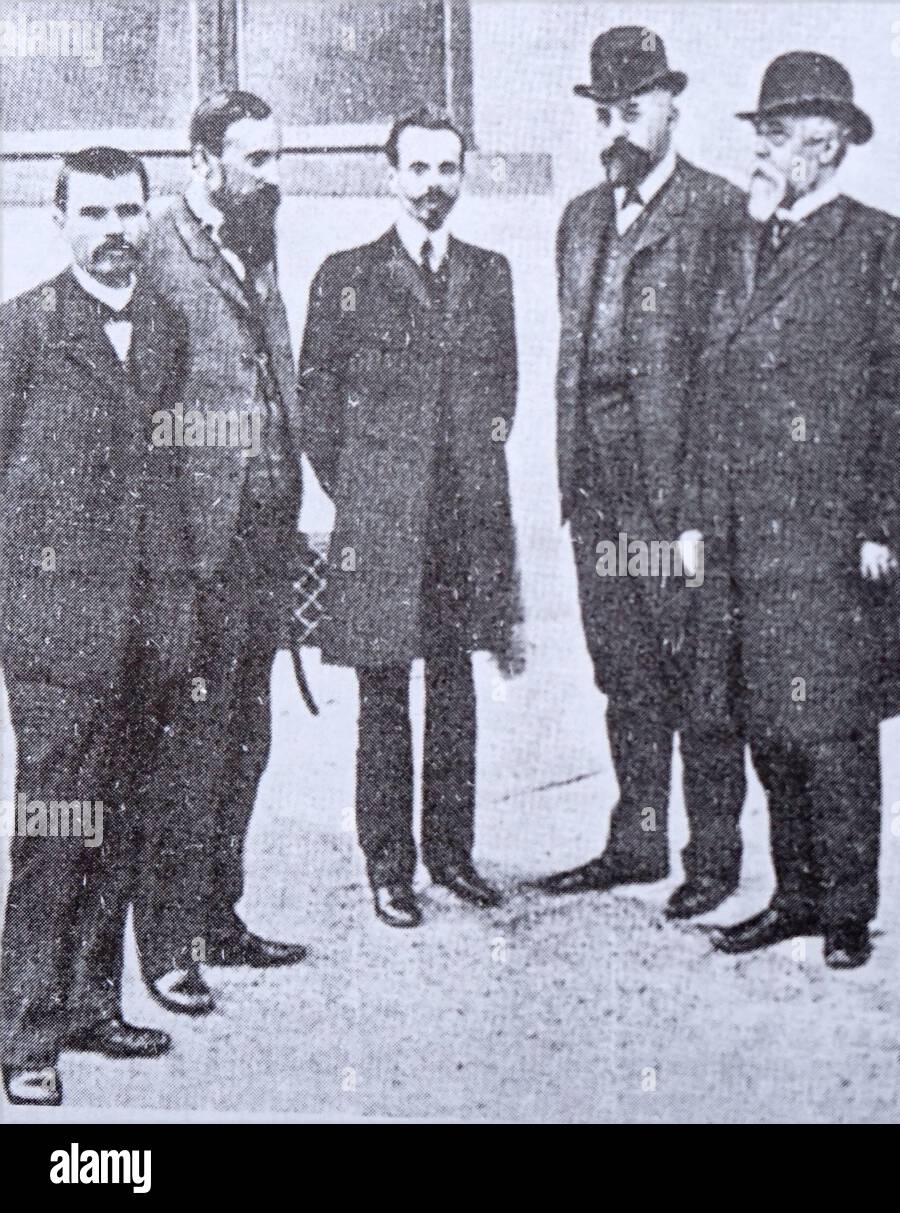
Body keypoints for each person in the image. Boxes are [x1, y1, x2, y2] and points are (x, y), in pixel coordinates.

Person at [686, 52, 900, 968]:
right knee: (765, 722)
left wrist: (885, 524)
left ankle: (846, 910)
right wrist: (698, 517)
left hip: (834, 537)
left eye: (778, 136)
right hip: (745, 532)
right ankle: (791, 894)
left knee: (833, 731)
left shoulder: (883, 245)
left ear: (827, 145)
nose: (760, 150)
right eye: (759, 133)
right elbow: (707, 385)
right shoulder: (741, 243)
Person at [535, 27, 748, 920]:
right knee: (623, 671)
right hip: (599, 491)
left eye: (634, 111)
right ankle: (636, 839)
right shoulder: (582, 218)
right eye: (605, 114)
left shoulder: (720, 212)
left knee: (700, 674)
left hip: (674, 497)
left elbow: (727, 376)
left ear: (671, 106)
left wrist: (699, 508)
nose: (617, 130)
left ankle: (715, 857)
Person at [300, 107, 522, 924]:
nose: (434, 185)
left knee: (455, 684)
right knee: (384, 695)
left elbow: (504, 394)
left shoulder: (490, 272)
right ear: (390, 173)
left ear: (463, 174)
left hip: (463, 525)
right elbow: (315, 405)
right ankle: (389, 866)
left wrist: (467, 479)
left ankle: (452, 854)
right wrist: (365, 491)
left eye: (447, 168)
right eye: (419, 168)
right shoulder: (345, 273)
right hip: (383, 526)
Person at [0, 149, 187, 1105]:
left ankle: (89, 1003)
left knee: (119, 828)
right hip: (55, 641)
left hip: (144, 634)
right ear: (60, 216)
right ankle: (25, 1032)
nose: (116, 231)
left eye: (130, 211)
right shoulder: (20, 333)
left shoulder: (163, 327)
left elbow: (166, 488)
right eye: (97, 213)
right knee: (54, 830)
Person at [136, 90, 308, 1010]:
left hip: (262, 537)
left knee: (247, 736)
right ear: (205, 162)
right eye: (256, 159)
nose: (272, 175)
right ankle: (167, 945)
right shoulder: (159, 244)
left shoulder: (256, 232)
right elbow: (140, 408)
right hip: (194, 544)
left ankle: (218, 914)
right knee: (186, 747)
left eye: (277, 157)